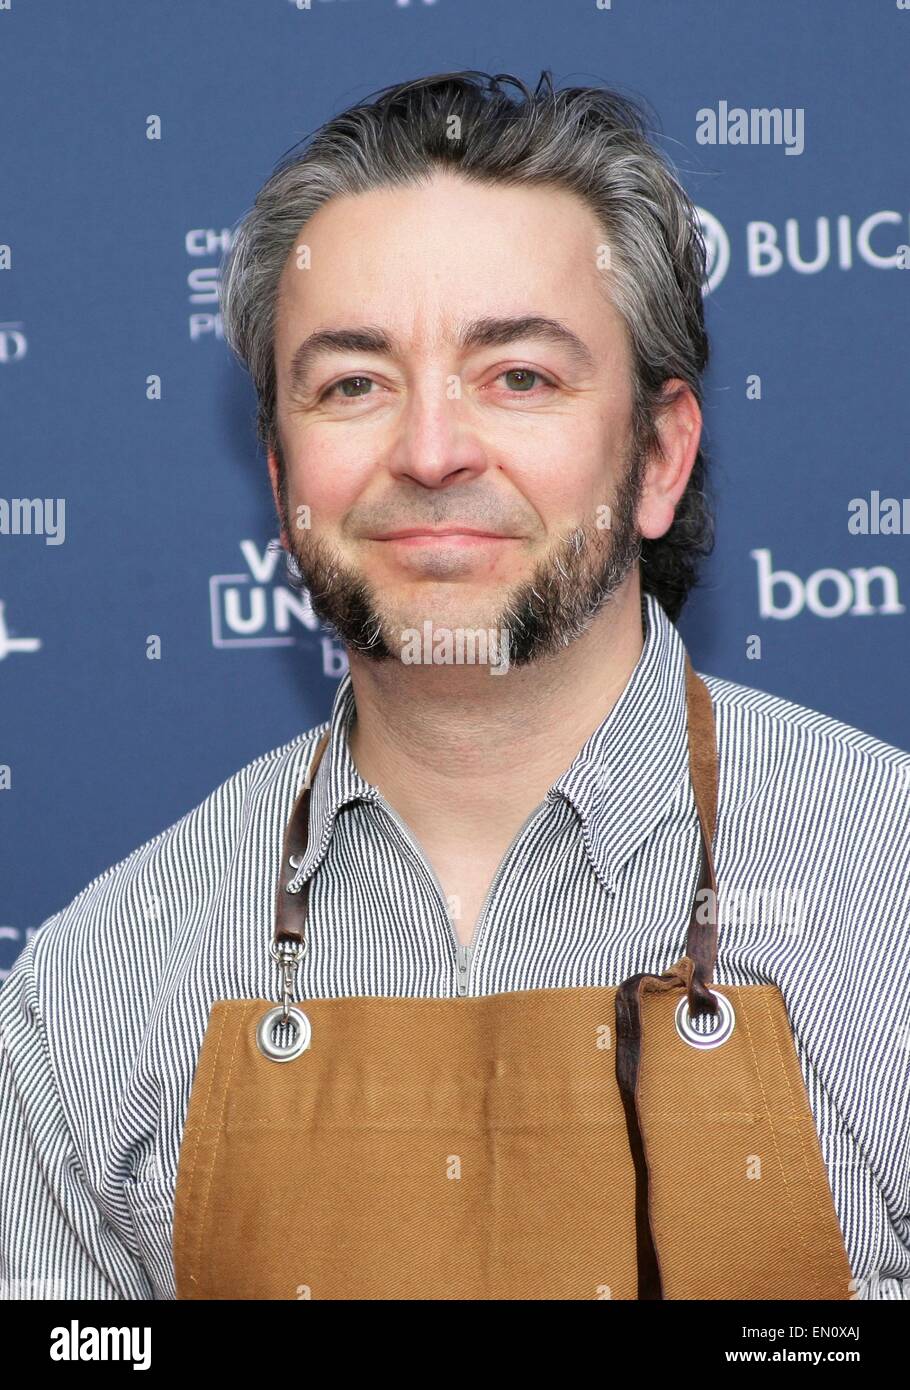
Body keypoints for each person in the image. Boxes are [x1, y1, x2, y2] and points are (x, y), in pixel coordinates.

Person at [1, 71, 908, 1302]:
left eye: (519, 376)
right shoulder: (84, 1003)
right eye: (353, 384)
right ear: (282, 483)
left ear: (656, 454)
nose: (430, 452)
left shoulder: (886, 896)